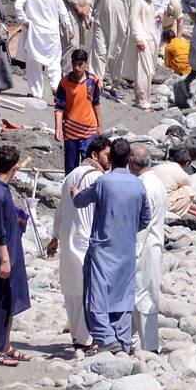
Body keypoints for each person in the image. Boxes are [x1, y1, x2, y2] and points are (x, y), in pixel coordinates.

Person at [72, 139, 151, 354]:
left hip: (102, 250)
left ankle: (106, 337)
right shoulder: (139, 184)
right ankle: (123, 341)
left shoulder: (103, 183)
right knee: (123, 297)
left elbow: (79, 202)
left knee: (95, 296)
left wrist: (75, 192)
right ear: (129, 160)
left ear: (111, 159)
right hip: (125, 250)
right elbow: (145, 219)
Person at [47, 135, 111, 356]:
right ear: (95, 155)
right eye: (106, 155)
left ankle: (77, 337)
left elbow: (60, 209)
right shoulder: (96, 177)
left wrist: (55, 237)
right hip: (87, 241)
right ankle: (86, 340)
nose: (109, 160)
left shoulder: (70, 176)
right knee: (88, 291)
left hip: (69, 239)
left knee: (72, 291)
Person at [0, 145, 32, 366]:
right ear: (13, 167)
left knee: (9, 300)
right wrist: (4, 260)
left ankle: (5, 345)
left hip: (10, 251)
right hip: (1, 256)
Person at [16, 0, 75, 100]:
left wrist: (24, 21)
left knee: (33, 62)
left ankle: (37, 92)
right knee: (54, 62)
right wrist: (69, 28)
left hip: (34, 32)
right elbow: (63, 12)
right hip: (52, 32)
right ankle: (55, 86)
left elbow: (18, 5)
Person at [134, 158, 168, 353]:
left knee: (144, 295)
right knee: (143, 293)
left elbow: (142, 225)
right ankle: (131, 340)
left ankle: (150, 345)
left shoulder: (144, 187)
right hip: (153, 246)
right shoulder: (156, 182)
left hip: (144, 247)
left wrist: (133, 251)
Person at [89, 0, 137, 90]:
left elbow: (134, 9)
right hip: (100, 22)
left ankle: (115, 84)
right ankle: (96, 82)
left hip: (121, 27)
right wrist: (89, 15)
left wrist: (134, 29)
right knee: (98, 51)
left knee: (117, 54)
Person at [54, 49, 102, 173]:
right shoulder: (64, 82)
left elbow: (96, 104)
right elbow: (59, 108)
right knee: (71, 168)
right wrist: (58, 128)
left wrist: (99, 126)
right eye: (74, 64)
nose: (76, 68)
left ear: (86, 63)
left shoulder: (93, 80)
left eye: (80, 64)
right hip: (70, 131)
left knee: (90, 167)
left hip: (89, 130)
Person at [125, 0, 160, 111]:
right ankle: (141, 100)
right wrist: (138, 37)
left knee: (149, 71)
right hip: (142, 40)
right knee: (143, 70)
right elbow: (133, 19)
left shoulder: (150, 1)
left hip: (151, 40)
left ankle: (145, 98)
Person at [154, 143, 196, 220]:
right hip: (161, 206)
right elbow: (189, 198)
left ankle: (191, 212)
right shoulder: (183, 176)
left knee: (174, 192)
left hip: (151, 201)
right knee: (188, 190)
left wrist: (193, 212)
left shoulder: (158, 167)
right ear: (187, 163)